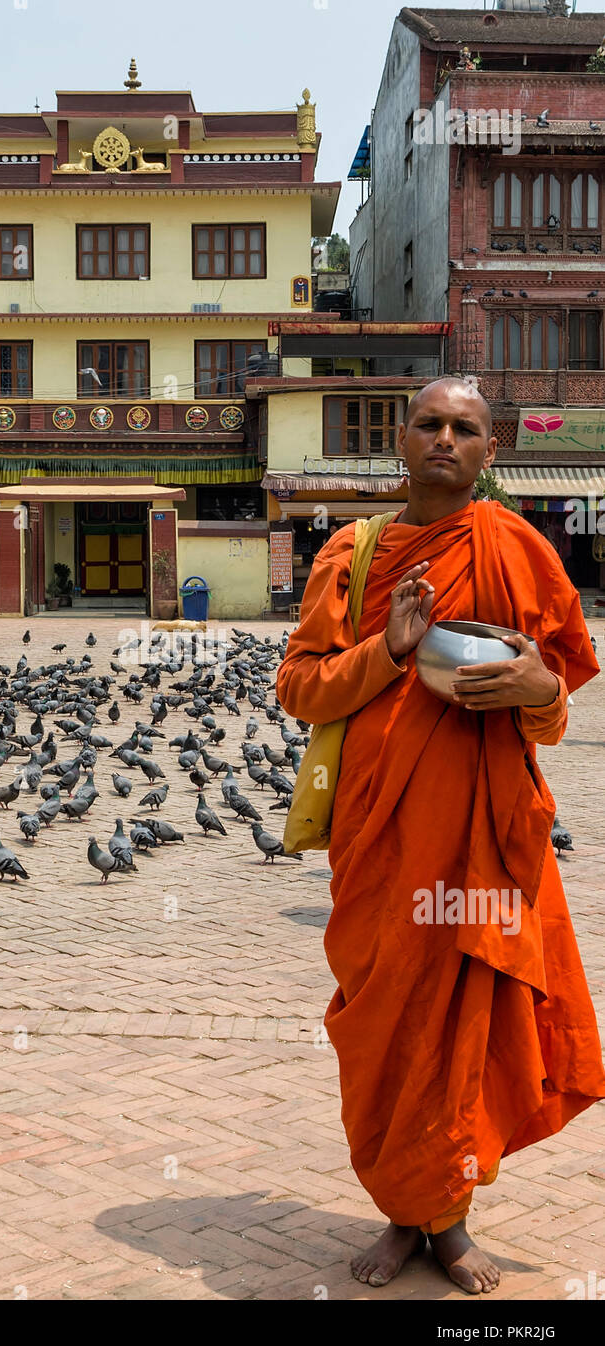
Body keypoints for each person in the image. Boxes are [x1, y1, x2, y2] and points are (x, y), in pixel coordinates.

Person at [276, 377, 605, 1296]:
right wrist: (387, 649)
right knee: (389, 1025)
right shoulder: (353, 552)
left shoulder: (517, 551)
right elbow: (301, 687)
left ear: (489, 452)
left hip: (484, 846)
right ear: (402, 439)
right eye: (429, 424)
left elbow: (554, 708)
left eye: (465, 428)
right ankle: (401, 1210)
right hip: (381, 844)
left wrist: (539, 693)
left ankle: (446, 1221)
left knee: (466, 1021)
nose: (445, 440)